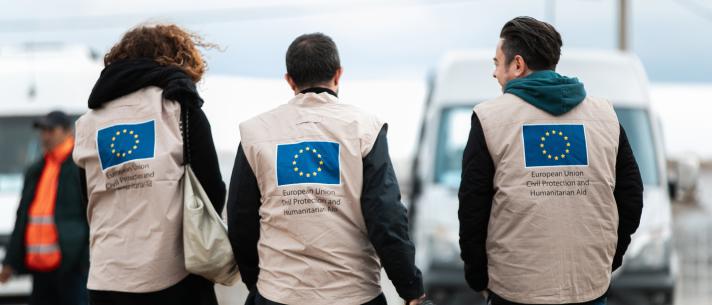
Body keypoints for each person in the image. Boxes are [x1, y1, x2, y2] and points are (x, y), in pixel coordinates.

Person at [227, 33, 428, 305]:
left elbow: (241, 220)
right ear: (338, 74)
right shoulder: (364, 128)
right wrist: (411, 289)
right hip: (354, 295)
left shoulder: (255, 133)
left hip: (278, 294)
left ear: (289, 80)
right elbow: (386, 217)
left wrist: (258, 283)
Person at [458, 16, 644, 305]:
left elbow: (472, 208)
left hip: (514, 290)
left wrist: (479, 278)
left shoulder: (489, 119)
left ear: (517, 65)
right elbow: (631, 197)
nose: (494, 73)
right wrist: (606, 261)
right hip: (589, 289)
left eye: (497, 63)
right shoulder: (605, 116)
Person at [72, 24, 225, 305]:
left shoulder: (87, 124)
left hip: (107, 279)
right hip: (172, 275)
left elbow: (88, 201)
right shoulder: (180, 109)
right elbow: (211, 192)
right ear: (178, 59)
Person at [0, 110, 90, 305]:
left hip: (71, 268)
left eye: (50, 130)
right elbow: (23, 217)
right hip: (41, 268)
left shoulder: (80, 166)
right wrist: (10, 262)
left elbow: (93, 214)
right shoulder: (36, 170)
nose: (45, 135)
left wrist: (84, 258)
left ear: (67, 131)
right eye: (42, 130)